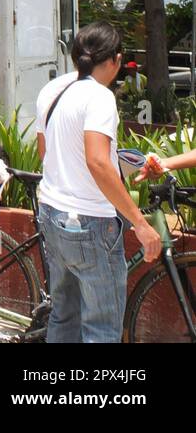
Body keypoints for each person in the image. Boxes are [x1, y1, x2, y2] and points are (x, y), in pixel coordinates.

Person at [35, 21, 161, 343]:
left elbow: (49, 153)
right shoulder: (100, 98)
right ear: (116, 60)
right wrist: (141, 225)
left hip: (52, 214)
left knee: (64, 316)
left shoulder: (57, 91)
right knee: (101, 329)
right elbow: (97, 162)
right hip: (89, 224)